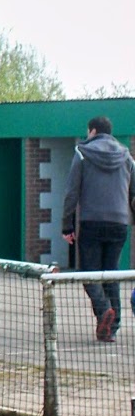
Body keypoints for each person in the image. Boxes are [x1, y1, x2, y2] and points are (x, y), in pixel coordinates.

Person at [62, 116, 135, 342]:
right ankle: (112, 329)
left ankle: (104, 312)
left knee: (88, 274)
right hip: (119, 223)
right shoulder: (126, 156)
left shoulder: (83, 153)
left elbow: (72, 192)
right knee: (110, 274)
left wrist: (67, 225)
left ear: (93, 131)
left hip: (92, 222)